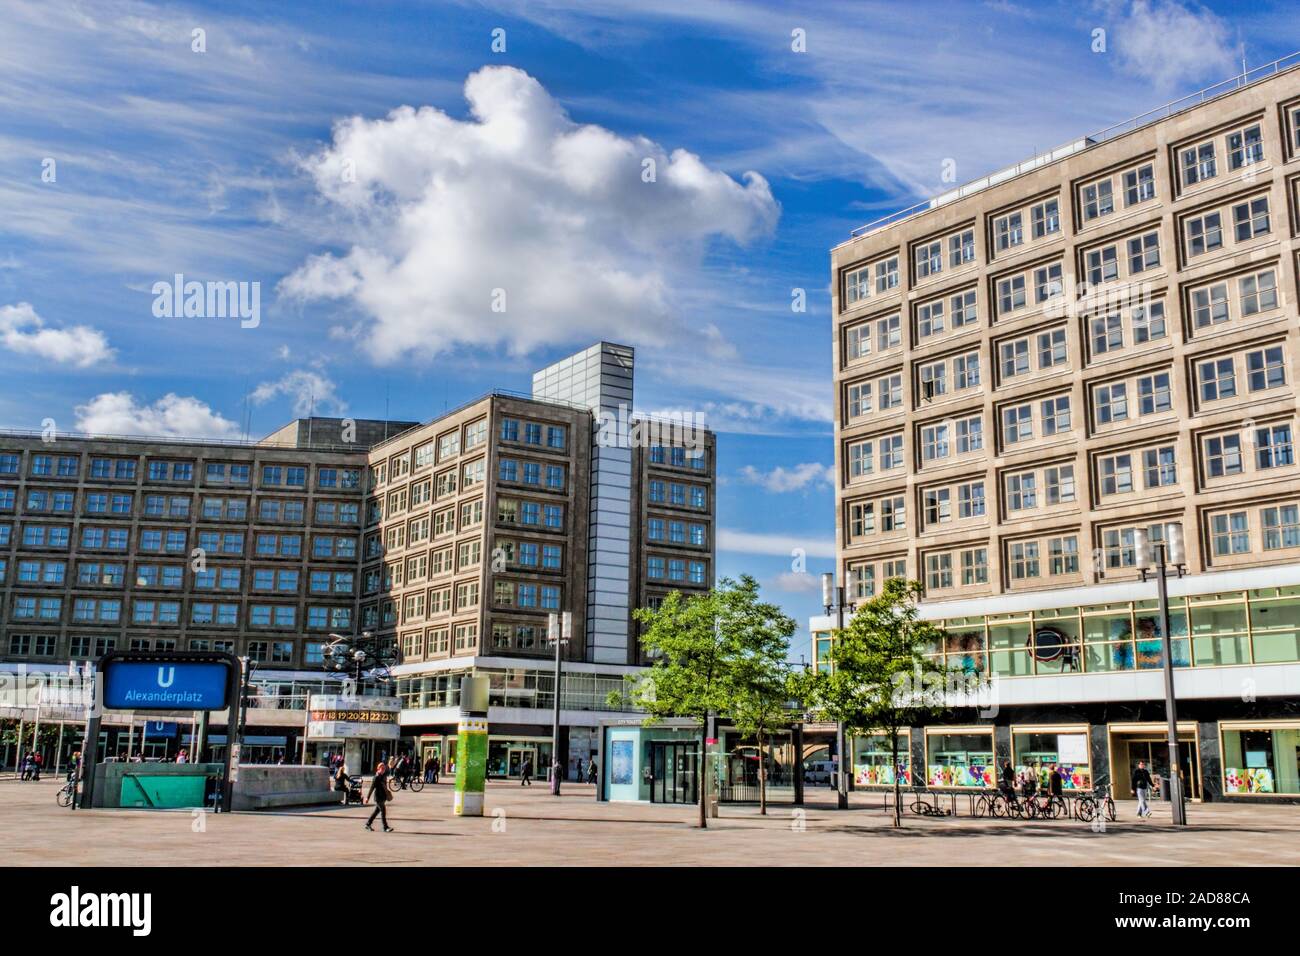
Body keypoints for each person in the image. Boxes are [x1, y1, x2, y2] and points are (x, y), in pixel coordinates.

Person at [364, 762, 394, 832]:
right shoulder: (376, 777)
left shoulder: (384, 776)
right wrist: (367, 798)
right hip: (378, 797)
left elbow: (385, 787)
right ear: (378, 769)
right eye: (382, 768)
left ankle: (368, 824)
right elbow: (372, 788)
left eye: (384, 768)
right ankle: (385, 827)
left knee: (376, 811)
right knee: (383, 811)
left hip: (383, 797)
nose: (383, 770)